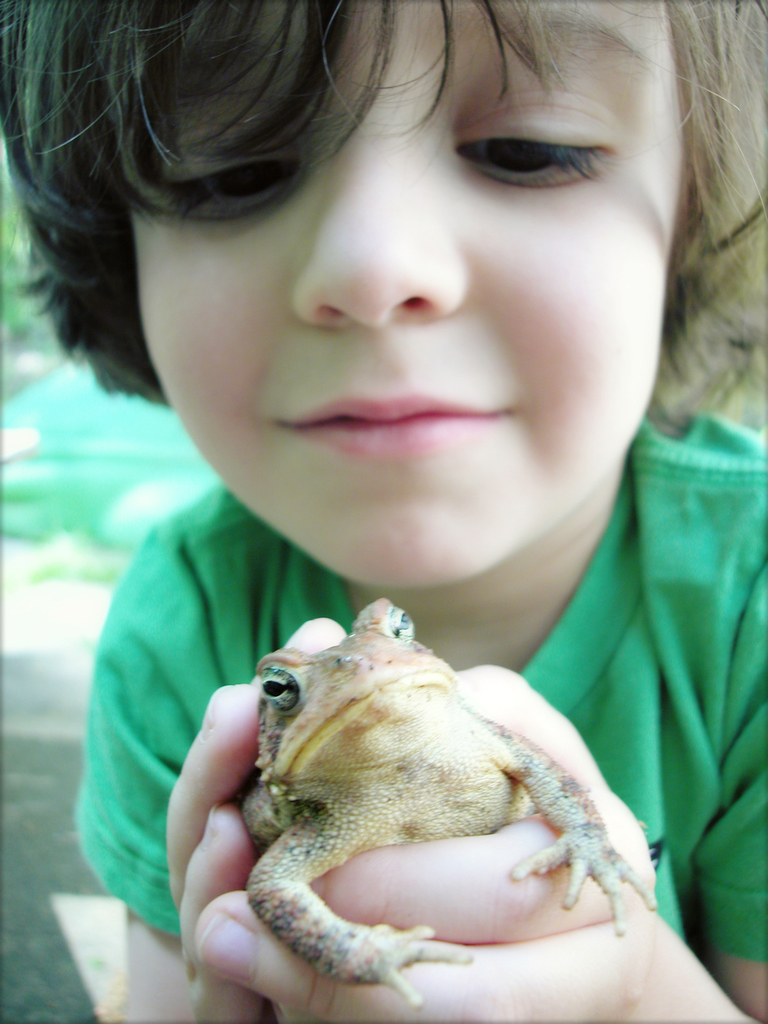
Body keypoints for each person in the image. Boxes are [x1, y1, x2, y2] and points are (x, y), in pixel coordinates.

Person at [2, 1, 766, 1019]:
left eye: (528, 151)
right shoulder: (178, 621)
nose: (373, 270)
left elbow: (537, 773)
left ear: (695, 206)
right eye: (232, 172)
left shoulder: (747, 596)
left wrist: (639, 991)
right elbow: (243, 913)